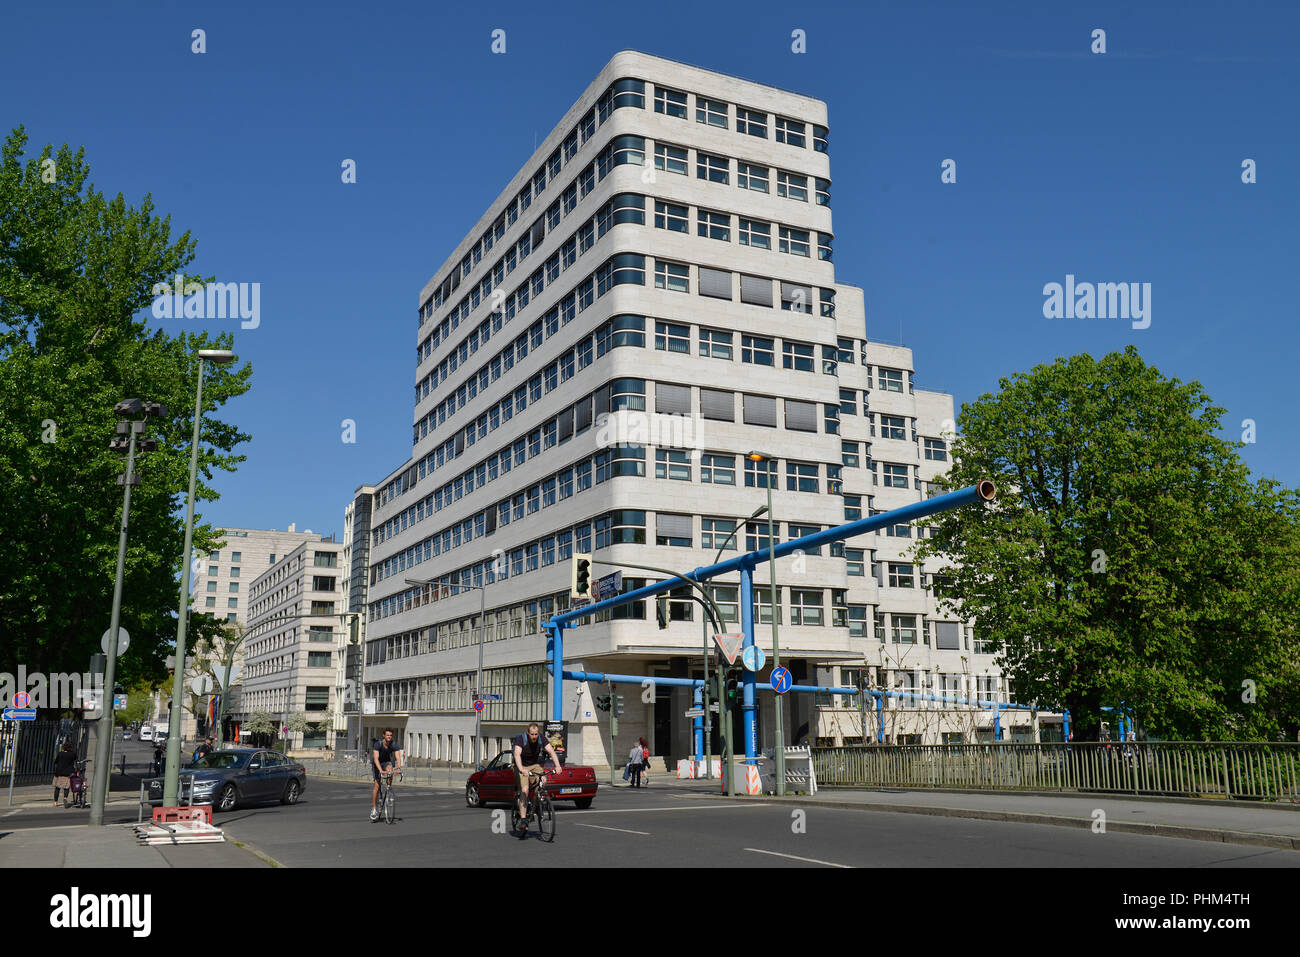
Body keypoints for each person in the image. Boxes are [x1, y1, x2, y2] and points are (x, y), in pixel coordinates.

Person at [512, 722, 560, 833]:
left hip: (534, 766)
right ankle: (523, 819)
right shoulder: (521, 739)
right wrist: (521, 769)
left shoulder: (541, 738)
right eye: (532, 734)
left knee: (543, 779)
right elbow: (517, 755)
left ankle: (536, 803)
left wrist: (557, 766)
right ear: (528, 733)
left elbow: (551, 751)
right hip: (521, 766)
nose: (534, 736)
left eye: (536, 734)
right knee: (525, 790)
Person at [370, 729, 403, 822]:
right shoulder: (378, 744)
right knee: (377, 785)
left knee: (390, 769)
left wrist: (399, 767)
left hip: (386, 762)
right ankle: (374, 809)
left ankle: (388, 788)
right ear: (383, 735)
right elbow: (376, 759)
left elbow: (397, 757)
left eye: (391, 735)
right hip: (377, 763)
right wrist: (380, 770)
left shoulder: (394, 744)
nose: (389, 737)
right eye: (387, 735)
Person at [53, 740, 76, 807]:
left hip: (59, 773)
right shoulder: (73, 754)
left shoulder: (60, 753)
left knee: (57, 787)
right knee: (66, 787)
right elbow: (75, 759)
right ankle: (65, 798)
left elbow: (56, 762)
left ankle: (55, 802)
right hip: (68, 773)